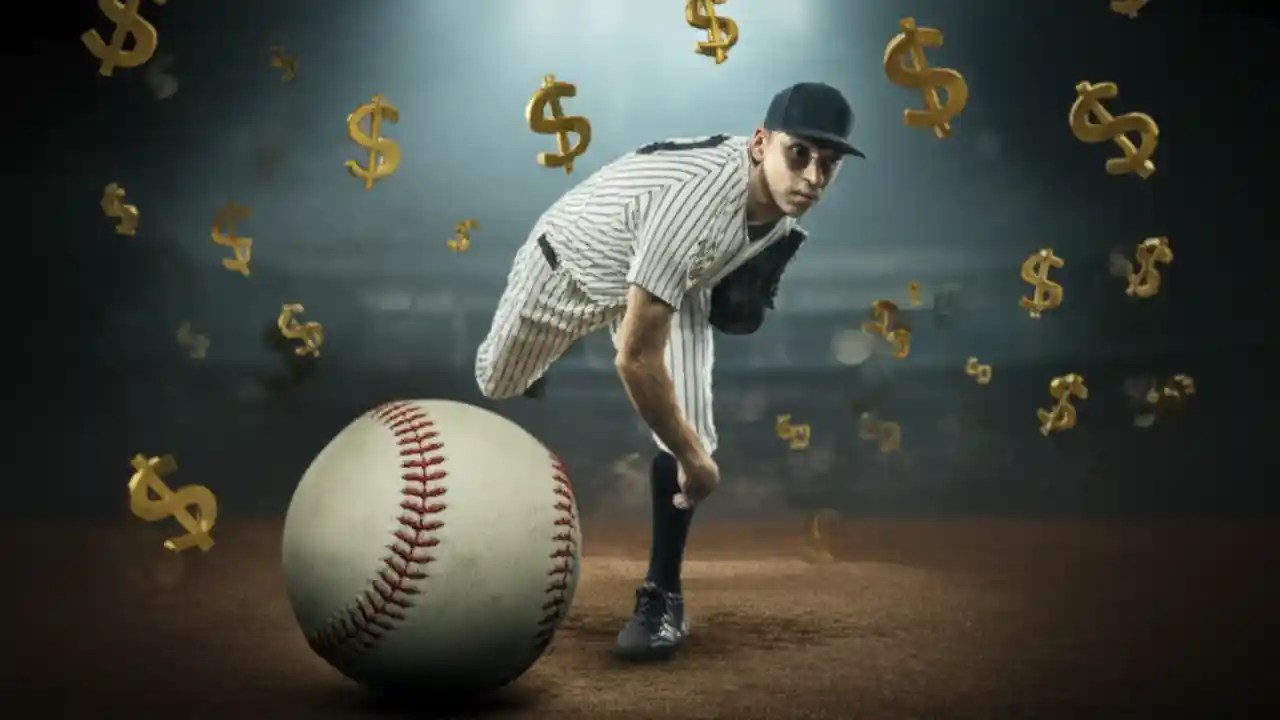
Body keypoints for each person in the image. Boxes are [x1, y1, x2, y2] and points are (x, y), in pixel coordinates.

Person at [475, 82, 863, 661]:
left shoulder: (781, 213)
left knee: (692, 428)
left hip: (669, 282)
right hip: (572, 266)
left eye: (828, 163)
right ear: (760, 144)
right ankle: (546, 357)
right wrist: (692, 459)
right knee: (497, 380)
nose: (813, 176)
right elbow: (633, 358)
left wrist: (689, 445)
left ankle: (661, 597)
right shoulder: (696, 204)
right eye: (799, 153)